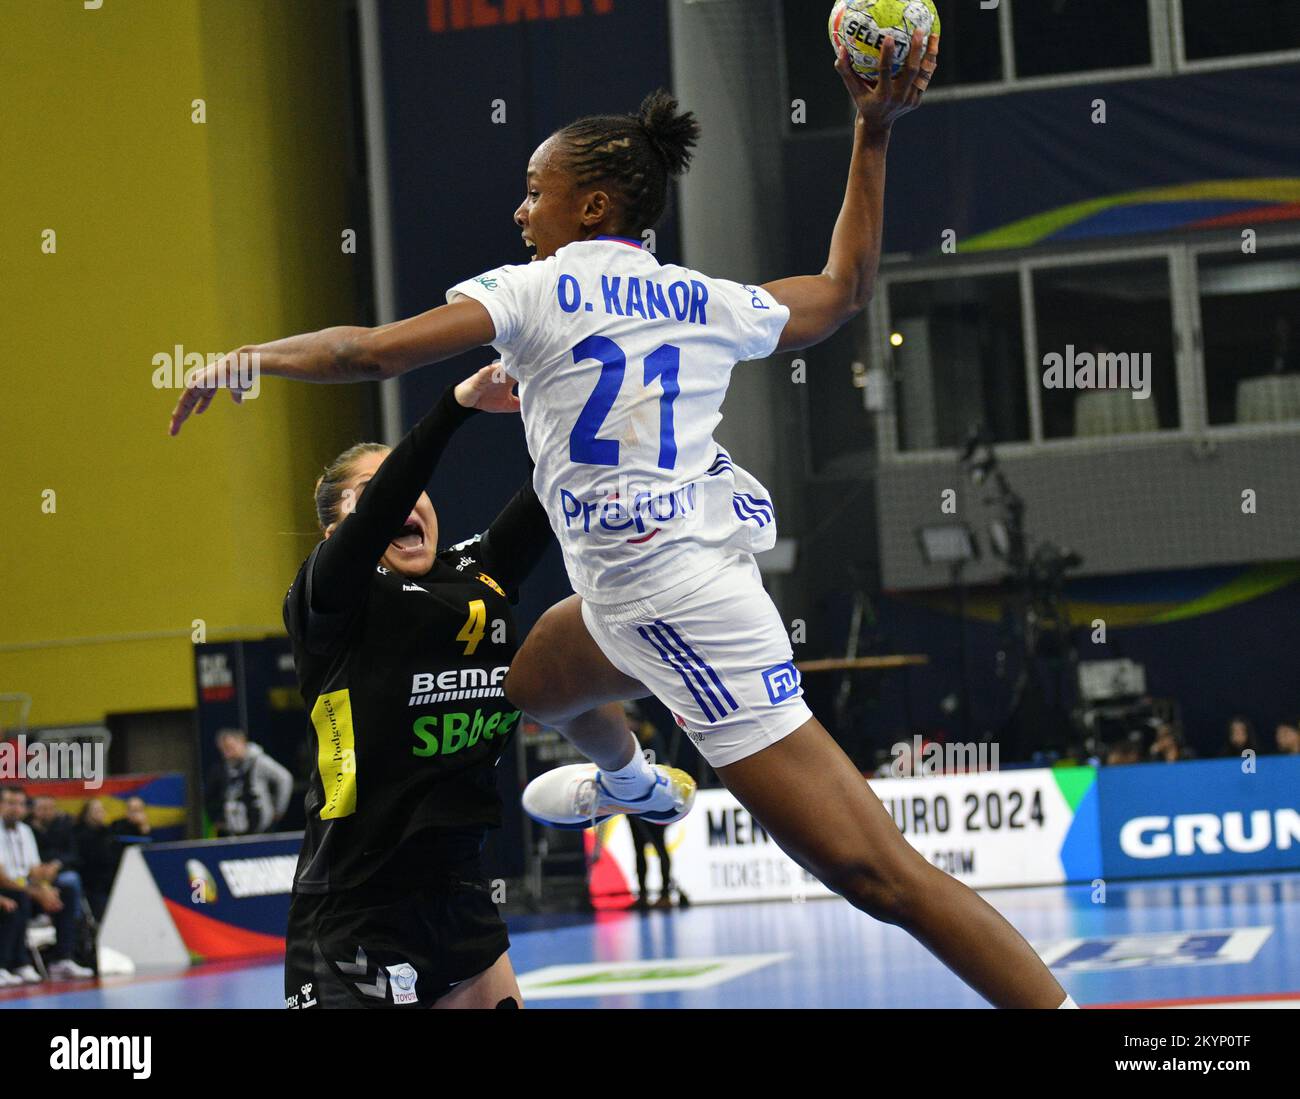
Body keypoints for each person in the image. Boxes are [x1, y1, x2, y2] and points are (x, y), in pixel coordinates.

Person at [168, 37, 1074, 1009]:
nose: (520, 212)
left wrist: (249, 357)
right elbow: (846, 290)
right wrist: (871, 130)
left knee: (876, 875)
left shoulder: (530, 290)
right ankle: (634, 781)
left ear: (592, 205)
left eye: (533, 191)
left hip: (686, 612)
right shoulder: (703, 297)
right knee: (527, 678)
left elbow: (368, 353)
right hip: (621, 602)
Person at [274, 364, 679, 1010]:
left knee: (572, 633)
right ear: (336, 533)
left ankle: (627, 772)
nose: (410, 500)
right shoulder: (328, 599)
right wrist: (456, 405)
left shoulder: (475, 573)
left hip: (460, 902)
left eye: (417, 489)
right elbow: (382, 507)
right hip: (354, 913)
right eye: (378, 490)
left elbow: (551, 487)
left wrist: (610, 403)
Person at [0, 787, 93, 982]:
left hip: (23, 887)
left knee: (65, 890)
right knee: (19, 897)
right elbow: (2, 877)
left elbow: (33, 871)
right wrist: (36, 892)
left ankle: (62, 959)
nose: (15, 809)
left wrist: (45, 888)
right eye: (10, 803)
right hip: (7, 888)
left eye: (20, 804)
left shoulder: (25, 831)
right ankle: (15, 963)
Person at [206, 728, 294, 837]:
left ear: (242, 742)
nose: (227, 753)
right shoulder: (221, 768)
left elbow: (285, 778)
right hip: (234, 831)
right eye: (223, 749)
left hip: (261, 827)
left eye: (230, 748)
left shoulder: (259, 761)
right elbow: (210, 797)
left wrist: (278, 809)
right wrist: (217, 818)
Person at [74, 799, 120, 922]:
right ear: (86, 814)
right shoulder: (79, 834)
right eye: (95, 810)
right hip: (92, 883)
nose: (99, 813)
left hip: (111, 881)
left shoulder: (108, 832)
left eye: (101, 810)